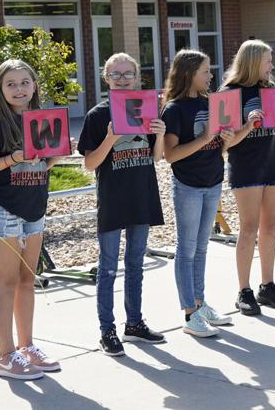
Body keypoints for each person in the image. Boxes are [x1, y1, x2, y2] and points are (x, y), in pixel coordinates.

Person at [0, 59, 63, 379]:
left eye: (25, 82)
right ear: (1, 89)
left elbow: (38, 166)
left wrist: (56, 157)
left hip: (34, 209)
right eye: (11, 84)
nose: (19, 89)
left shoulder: (43, 120)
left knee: (26, 281)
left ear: (35, 85)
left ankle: (27, 347)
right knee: (7, 282)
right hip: (4, 209)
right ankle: (5, 356)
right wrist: (11, 157)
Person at [78, 53, 168, 355]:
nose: (122, 79)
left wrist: (160, 135)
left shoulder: (146, 109)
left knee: (135, 265)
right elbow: (90, 164)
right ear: (106, 78)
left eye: (128, 74)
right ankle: (107, 329)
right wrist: (109, 139)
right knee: (107, 269)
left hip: (142, 194)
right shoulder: (97, 115)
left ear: (137, 76)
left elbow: (156, 158)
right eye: (115, 74)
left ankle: (134, 323)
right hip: (113, 199)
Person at [162, 50, 243, 337]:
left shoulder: (213, 102)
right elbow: (170, 155)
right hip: (188, 186)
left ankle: (200, 302)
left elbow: (218, 149)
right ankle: (189, 314)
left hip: (212, 182)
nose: (211, 75)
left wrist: (227, 140)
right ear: (188, 74)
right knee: (186, 250)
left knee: (202, 247)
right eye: (205, 71)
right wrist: (206, 136)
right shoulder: (174, 109)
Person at [222, 40, 275, 315]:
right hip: (247, 167)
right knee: (249, 228)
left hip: (274, 162)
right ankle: (244, 290)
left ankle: (268, 285)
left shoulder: (273, 90)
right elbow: (225, 143)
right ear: (253, 62)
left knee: (270, 229)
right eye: (268, 61)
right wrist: (248, 124)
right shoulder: (229, 93)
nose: (272, 65)